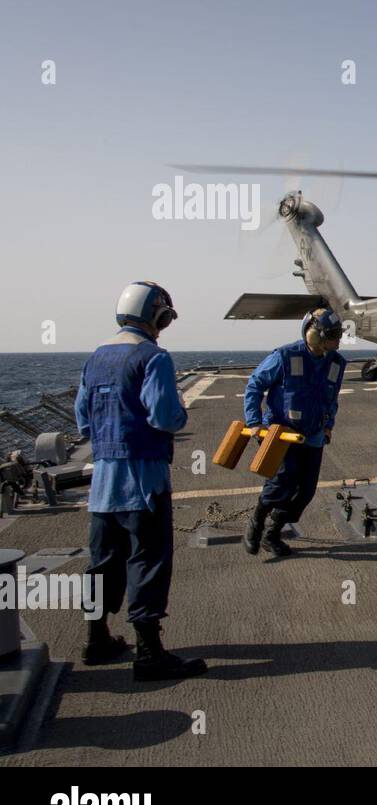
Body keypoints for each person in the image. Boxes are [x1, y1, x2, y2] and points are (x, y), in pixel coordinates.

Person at [74, 281, 207, 681]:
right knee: (147, 562)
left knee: (103, 564)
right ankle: (149, 654)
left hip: (101, 489)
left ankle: (96, 639)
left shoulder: (95, 358)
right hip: (143, 482)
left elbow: (83, 420)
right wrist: (179, 415)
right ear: (157, 316)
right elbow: (166, 417)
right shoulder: (154, 358)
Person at [242, 308, 347, 557]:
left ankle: (272, 533)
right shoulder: (285, 356)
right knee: (281, 483)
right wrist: (255, 422)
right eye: (333, 335)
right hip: (281, 433)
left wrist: (329, 425)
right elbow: (255, 385)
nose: (338, 340)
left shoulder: (336, 363)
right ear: (315, 334)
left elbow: (331, 398)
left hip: (313, 435)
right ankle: (257, 520)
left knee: (306, 491)